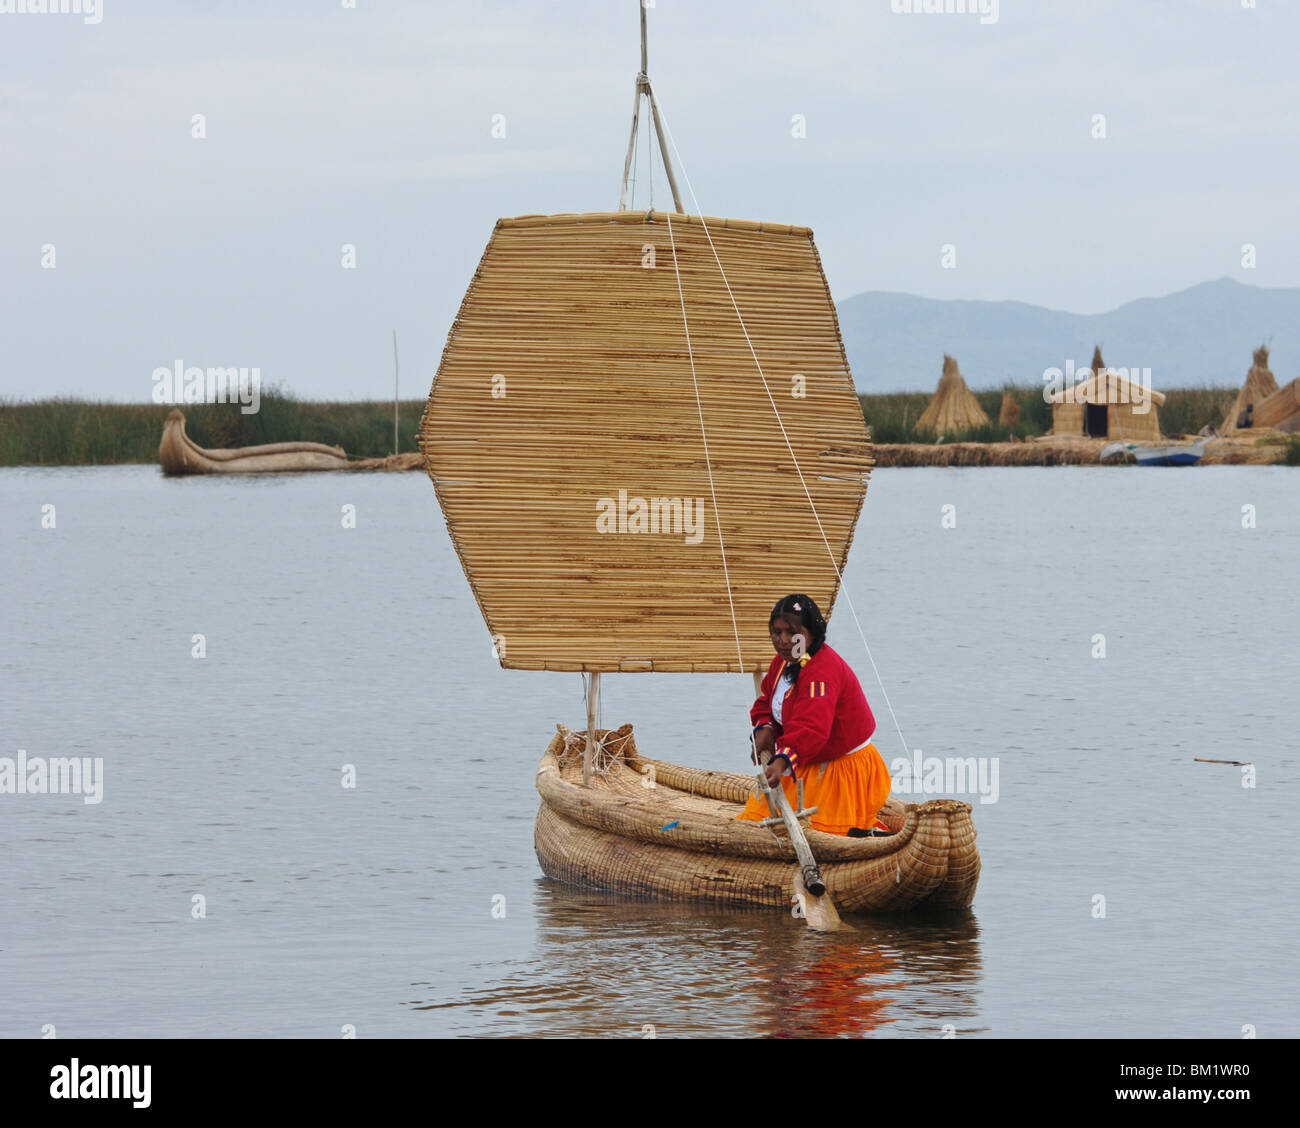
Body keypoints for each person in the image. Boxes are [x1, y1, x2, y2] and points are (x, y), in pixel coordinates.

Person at [736, 593, 892, 836]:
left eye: (792, 633)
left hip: (840, 770)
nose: (784, 641)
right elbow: (766, 699)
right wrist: (766, 728)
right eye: (776, 633)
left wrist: (781, 760)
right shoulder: (783, 663)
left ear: (812, 634)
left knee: (820, 832)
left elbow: (812, 728)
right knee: (762, 820)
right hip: (805, 758)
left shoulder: (821, 672)